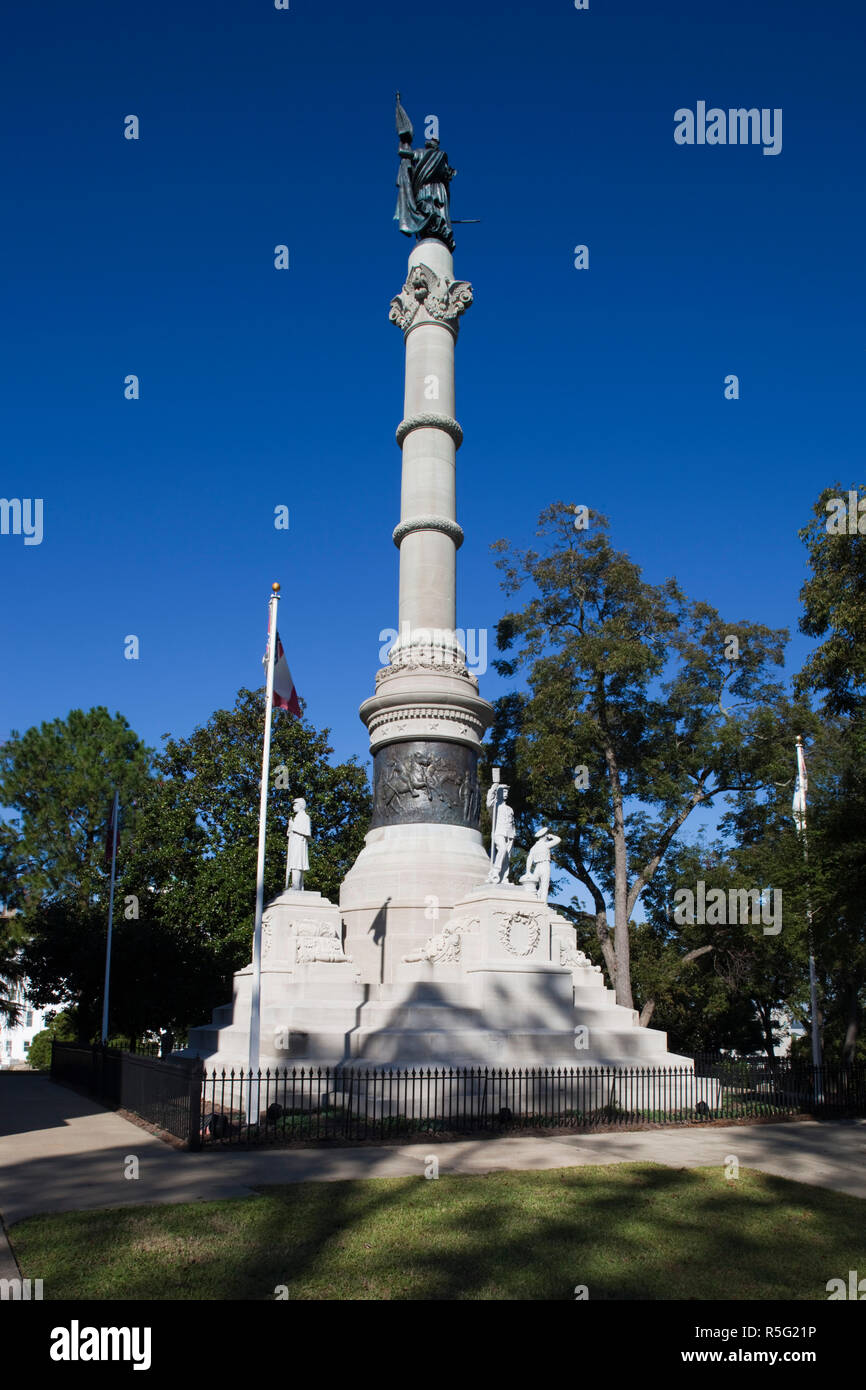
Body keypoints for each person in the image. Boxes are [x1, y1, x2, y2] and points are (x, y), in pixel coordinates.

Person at [520, 827, 562, 902]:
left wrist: (528, 871)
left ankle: (535, 900)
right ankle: (543, 903)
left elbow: (529, 859)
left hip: (537, 868)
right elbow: (558, 839)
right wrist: (551, 836)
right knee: (544, 886)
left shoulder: (534, 847)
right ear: (545, 836)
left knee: (533, 885)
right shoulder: (546, 844)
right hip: (545, 865)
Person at [486, 784, 515, 884]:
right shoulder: (495, 806)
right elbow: (489, 803)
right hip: (499, 832)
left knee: (507, 858)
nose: (506, 794)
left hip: (510, 834)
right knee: (502, 849)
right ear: (499, 793)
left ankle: (504, 878)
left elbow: (512, 823)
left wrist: (513, 835)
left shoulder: (510, 809)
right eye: (503, 792)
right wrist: (493, 787)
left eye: (506, 792)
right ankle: (495, 872)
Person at [286, 798, 311, 890]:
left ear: (300, 805)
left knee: (297, 863)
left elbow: (306, 832)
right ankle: (295, 884)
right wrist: (291, 827)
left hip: (300, 843)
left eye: (295, 805)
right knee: (294, 863)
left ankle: (296, 885)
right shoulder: (297, 817)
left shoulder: (305, 817)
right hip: (294, 842)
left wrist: (293, 826)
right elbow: (291, 832)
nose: (293, 807)